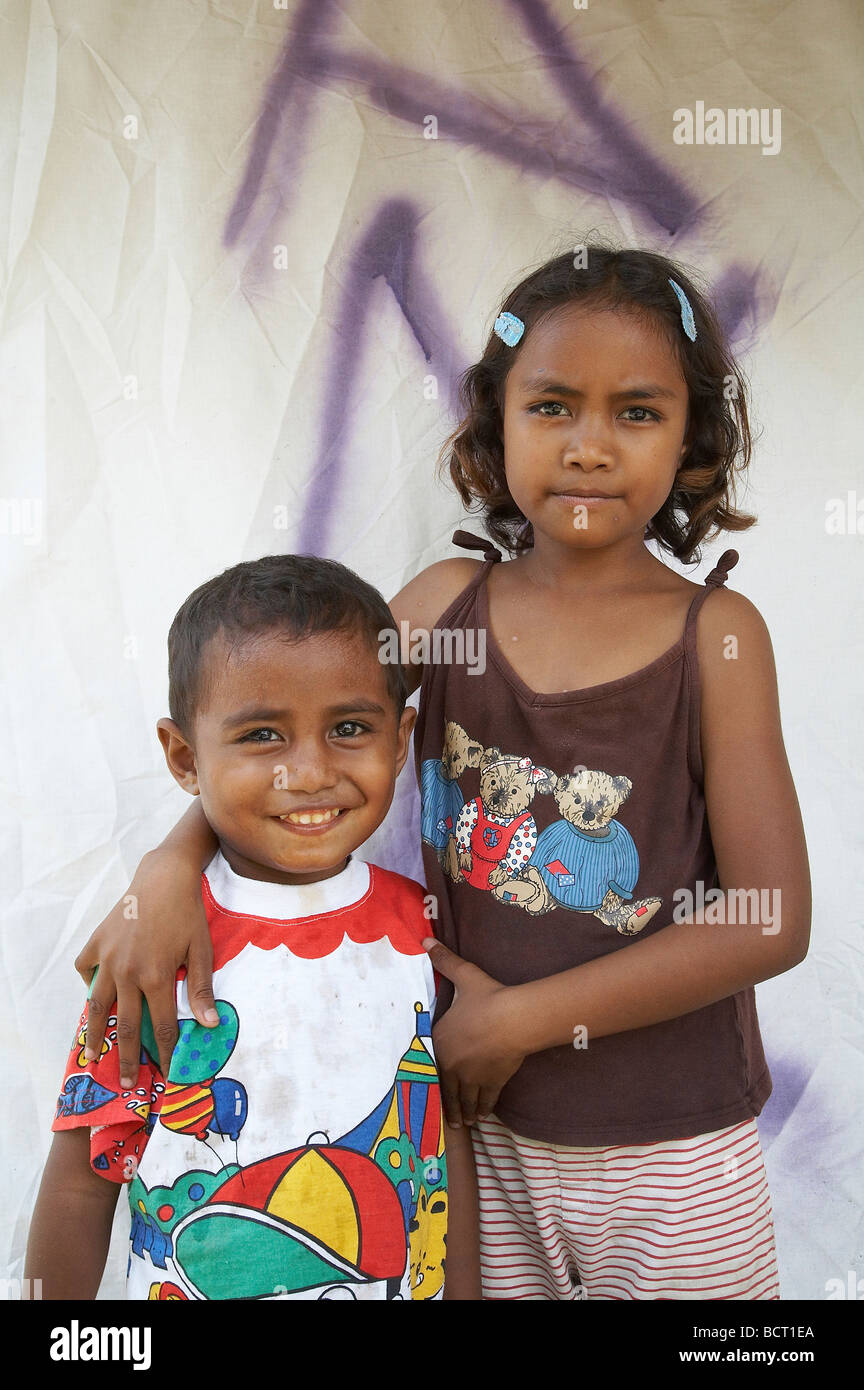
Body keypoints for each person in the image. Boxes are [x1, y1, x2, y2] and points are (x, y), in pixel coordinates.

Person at [72, 244, 811, 1301]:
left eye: (637, 413)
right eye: (553, 407)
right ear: (494, 425)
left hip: (674, 1145)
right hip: (472, 1142)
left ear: (692, 438)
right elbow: (300, 733)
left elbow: (769, 916)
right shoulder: (446, 606)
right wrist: (169, 861)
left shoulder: (717, 637)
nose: (591, 447)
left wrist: (515, 1020)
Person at [25, 554, 480, 1300]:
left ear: (400, 742)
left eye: (349, 728)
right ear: (184, 758)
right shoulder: (156, 947)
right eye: (263, 735)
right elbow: (83, 1181)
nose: (307, 772)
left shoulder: (420, 926)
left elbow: (440, 1143)